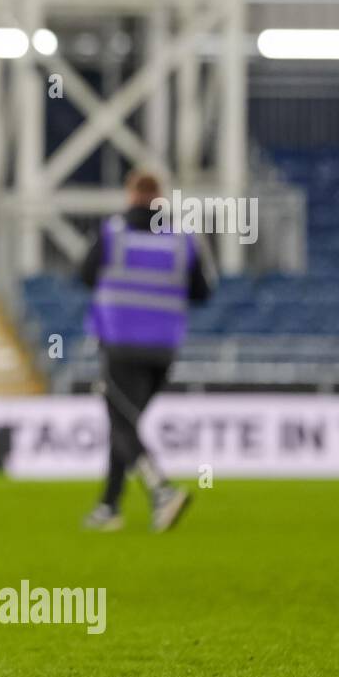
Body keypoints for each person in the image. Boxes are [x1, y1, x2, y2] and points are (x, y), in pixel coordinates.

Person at [79, 169, 214, 532]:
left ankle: (162, 492)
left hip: (121, 345)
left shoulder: (113, 233)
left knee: (122, 424)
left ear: (130, 195)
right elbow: (202, 293)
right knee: (125, 424)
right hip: (164, 351)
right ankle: (108, 507)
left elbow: (85, 275)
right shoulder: (182, 239)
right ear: (161, 198)